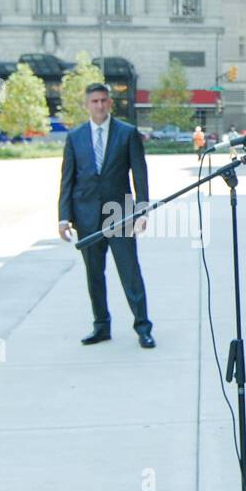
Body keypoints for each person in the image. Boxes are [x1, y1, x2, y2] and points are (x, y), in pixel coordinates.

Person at [57, 81, 155, 348]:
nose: (99, 105)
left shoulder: (127, 133)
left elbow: (140, 173)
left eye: (103, 100)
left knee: (130, 272)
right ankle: (101, 326)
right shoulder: (75, 137)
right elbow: (67, 179)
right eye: (94, 101)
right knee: (94, 275)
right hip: (86, 217)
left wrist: (142, 210)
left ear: (110, 103)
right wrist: (63, 217)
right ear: (87, 105)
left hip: (120, 215)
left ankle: (143, 327)